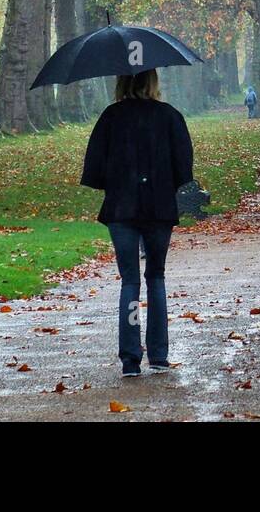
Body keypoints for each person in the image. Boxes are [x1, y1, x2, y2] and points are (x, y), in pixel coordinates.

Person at [81, 69, 194, 377]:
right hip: (159, 208)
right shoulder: (170, 116)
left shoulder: (110, 118)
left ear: (121, 82)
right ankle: (158, 354)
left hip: (122, 209)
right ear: (152, 81)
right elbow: (184, 169)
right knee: (156, 277)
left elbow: (94, 170)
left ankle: (131, 358)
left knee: (130, 281)